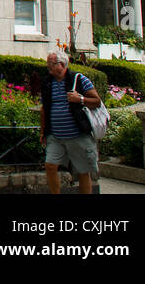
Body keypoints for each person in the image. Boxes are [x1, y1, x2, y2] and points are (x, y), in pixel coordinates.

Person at [40, 51, 101, 194]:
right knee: (50, 165)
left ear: (61, 64)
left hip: (77, 134)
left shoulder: (79, 79)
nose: (48, 66)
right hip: (55, 135)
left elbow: (97, 101)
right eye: (48, 63)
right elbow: (44, 108)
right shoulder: (48, 83)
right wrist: (43, 131)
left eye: (51, 64)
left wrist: (80, 99)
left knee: (82, 171)